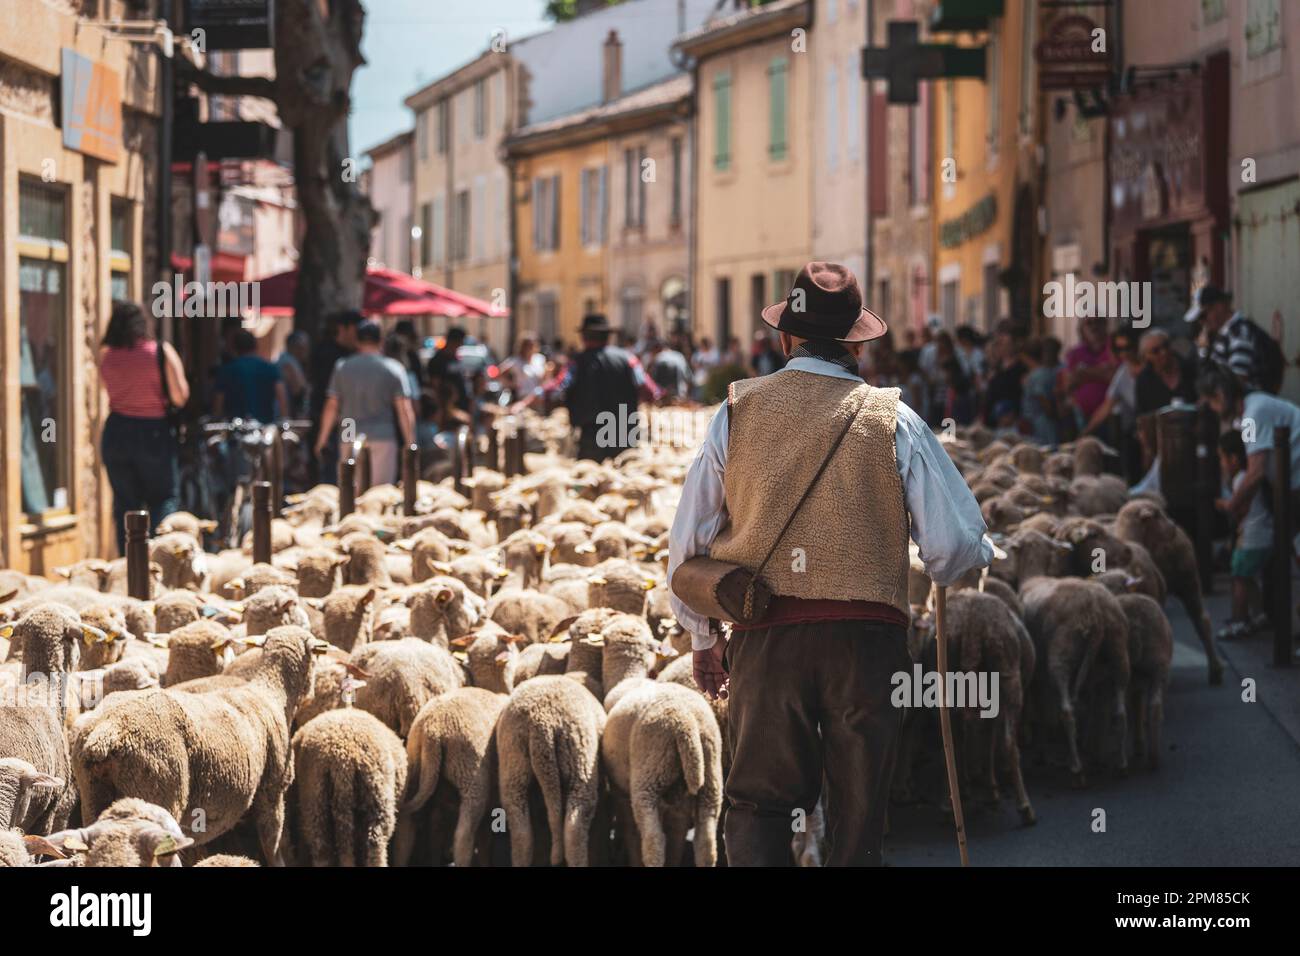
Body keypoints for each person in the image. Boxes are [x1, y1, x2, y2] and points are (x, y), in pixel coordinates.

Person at [668, 261, 992, 866]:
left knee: (760, 803)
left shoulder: (737, 411)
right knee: (858, 813)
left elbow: (689, 543)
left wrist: (702, 635)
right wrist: (960, 560)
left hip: (766, 638)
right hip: (867, 646)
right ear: (855, 342)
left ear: (786, 339)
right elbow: (952, 548)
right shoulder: (893, 418)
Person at [98, 301, 190, 554]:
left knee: (125, 506)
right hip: (153, 432)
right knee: (163, 499)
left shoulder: (107, 356)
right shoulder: (159, 351)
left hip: (117, 431)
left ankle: (130, 567)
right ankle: (162, 561)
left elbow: (108, 389)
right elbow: (180, 395)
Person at [313, 319, 416, 487]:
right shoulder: (394, 368)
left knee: (349, 490)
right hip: (382, 432)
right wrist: (410, 443)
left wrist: (322, 439)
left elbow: (332, 405)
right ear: (381, 340)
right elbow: (404, 409)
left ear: (357, 341)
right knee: (380, 492)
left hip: (349, 429)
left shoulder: (342, 366)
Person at [1199, 366, 1300, 529]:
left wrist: (1232, 505)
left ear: (1220, 395)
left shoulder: (1253, 414)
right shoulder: (1246, 415)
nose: (1212, 409)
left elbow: (1256, 472)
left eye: (1211, 401)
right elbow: (1252, 461)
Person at [555, 314, 642, 461]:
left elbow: (560, 387)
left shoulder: (576, 362)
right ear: (608, 337)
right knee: (624, 479)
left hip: (592, 433)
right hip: (624, 431)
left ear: (584, 337)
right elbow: (646, 385)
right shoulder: (628, 359)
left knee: (590, 477)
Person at [1214, 429, 1272, 641]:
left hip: (1250, 538)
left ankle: (1239, 620)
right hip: (1262, 536)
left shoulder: (1241, 479)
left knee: (1238, 577)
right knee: (1249, 579)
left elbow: (1239, 509)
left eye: (1222, 458)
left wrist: (1222, 505)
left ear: (1234, 459)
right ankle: (1258, 615)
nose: (1221, 463)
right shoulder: (1248, 477)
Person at [1186, 285, 1280, 394]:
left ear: (1219, 307)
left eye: (1203, 316)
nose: (1202, 323)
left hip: (1248, 403)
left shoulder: (1238, 334)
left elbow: (1237, 382)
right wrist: (1203, 350)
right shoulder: (1224, 334)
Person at [309, 309, 361, 483]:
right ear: (343, 329)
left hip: (348, 421)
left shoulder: (354, 356)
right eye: (356, 330)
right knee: (336, 473)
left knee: (350, 469)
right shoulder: (326, 354)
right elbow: (329, 399)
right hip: (333, 421)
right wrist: (323, 437)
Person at [213, 329, 288, 423]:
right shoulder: (271, 368)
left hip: (236, 429)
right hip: (264, 427)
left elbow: (218, 405)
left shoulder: (226, 370)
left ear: (233, 348)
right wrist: (284, 423)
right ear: (255, 346)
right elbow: (282, 399)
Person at [1081, 331, 1142, 437]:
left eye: (1128, 347)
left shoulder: (1150, 367)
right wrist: (1084, 433)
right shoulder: (1122, 373)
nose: (1124, 353)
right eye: (1119, 349)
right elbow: (1106, 406)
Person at [1064, 315, 1117, 431]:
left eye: (1098, 322)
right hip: (1081, 416)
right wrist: (1102, 371)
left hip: (1109, 416)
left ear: (1105, 325)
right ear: (1082, 328)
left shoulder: (1114, 349)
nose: (1094, 326)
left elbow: (1115, 377)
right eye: (1089, 323)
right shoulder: (1074, 353)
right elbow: (1069, 383)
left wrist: (1083, 373)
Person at [1135, 329, 1197, 415]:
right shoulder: (1144, 380)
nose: (1163, 352)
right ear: (1146, 356)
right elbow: (1143, 414)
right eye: (1155, 351)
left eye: (1165, 346)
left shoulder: (1190, 368)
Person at [984, 321, 1027, 429]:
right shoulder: (997, 367)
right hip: (994, 420)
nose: (1001, 347)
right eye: (999, 343)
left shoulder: (1021, 367)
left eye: (1004, 343)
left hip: (1012, 420)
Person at [1021, 338, 1062, 446]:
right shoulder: (1043, 372)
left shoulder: (1038, 375)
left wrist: (1052, 414)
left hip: (1041, 424)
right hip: (1039, 421)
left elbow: (1042, 398)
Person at [427, 326, 470, 412]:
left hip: (461, 404)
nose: (461, 345)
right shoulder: (438, 360)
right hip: (447, 406)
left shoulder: (455, 358)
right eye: (460, 341)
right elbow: (435, 383)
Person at [499, 333, 548, 401]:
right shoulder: (516, 361)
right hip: (524, 398)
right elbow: (499, 373)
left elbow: (545, 378)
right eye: (529, 345)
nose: (531, 348)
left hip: (539, 398)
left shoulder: (540, 359)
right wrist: (512, 385)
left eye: (533, 345)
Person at [277, 330, 311, 418]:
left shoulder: (290, 361)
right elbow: (298, 390)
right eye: (304, 347)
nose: (306, 350)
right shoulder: (288, 362)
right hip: (285, 414)